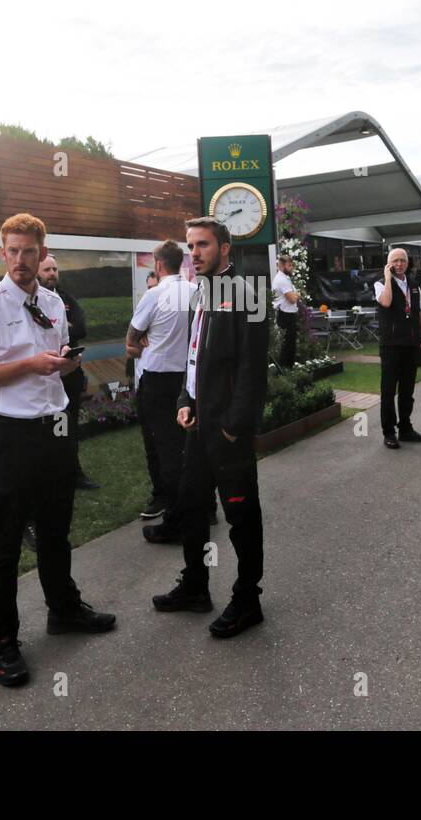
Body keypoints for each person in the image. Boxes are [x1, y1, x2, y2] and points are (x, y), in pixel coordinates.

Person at [0, 213, 115, 689]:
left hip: (56, 430)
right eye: (13, 250)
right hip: (11, 436)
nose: (22, 260)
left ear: (42, 253)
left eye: (30, 251)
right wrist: (28, 365)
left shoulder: (53, 302)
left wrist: (66, 364)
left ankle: (63, 609)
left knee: (55, 531)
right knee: (5, 542)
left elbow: (56, 362)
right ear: (1, 252)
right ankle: (3, 640)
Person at [151, 216, 269, 639]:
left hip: (226, 433)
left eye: (202, 245)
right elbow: (195, 356)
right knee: (191, 507)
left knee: (241, 517)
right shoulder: (201, 293)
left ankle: (247, 599)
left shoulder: (246, 296)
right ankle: (196, 586)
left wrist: (234, 428)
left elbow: (253, 371)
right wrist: (185, 401)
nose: (194, 253)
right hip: (198, 426)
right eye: (190, 246)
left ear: (224, 248)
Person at [128, 239, 195, 525]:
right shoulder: (196, 291)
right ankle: (200, 504)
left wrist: (143, 342)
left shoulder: (154, 295)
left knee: (161, 444)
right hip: (188, 379)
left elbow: (131, 340)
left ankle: (173, 507)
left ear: (158, 264)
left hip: (157, 379)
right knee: (190, 443)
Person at [38, 253, 98, 494]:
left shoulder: (65, 299)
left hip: (69, 376)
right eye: (47, 270)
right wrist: (61, 325)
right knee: (45, 431)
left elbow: (81, 328)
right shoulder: (32, 299)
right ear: (37, 272)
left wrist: (59, 324)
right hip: (42, 379)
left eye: (54, 269)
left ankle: (74, 473)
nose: (52, 273)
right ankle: (50, 477)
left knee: (68, 426)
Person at [374, 247, 421, 449]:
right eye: (395, 261)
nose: (399, 264)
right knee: (388, 390)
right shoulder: (380, 284)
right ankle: (388, 432)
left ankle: (405, 429)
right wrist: (387, 277)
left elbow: (418, 313)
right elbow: (387, 302)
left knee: (408, 390)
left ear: (407, 263)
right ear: (389, 264)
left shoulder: (414, 286)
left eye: (402, 261)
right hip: (391, 345)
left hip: (411, 344)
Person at [271, 254, 300, 368]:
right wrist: (297, 295)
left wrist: (296, 295)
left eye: (292, 265)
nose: (291, 267)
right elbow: (293, 299)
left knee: (291, 344)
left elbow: (294, 295)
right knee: (287, 344)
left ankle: (288, 368)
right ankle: (284, 370)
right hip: (285, 314)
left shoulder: (285, 278)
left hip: (289, 314)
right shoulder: (281, 280)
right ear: (282, 266)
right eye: (289, 265)